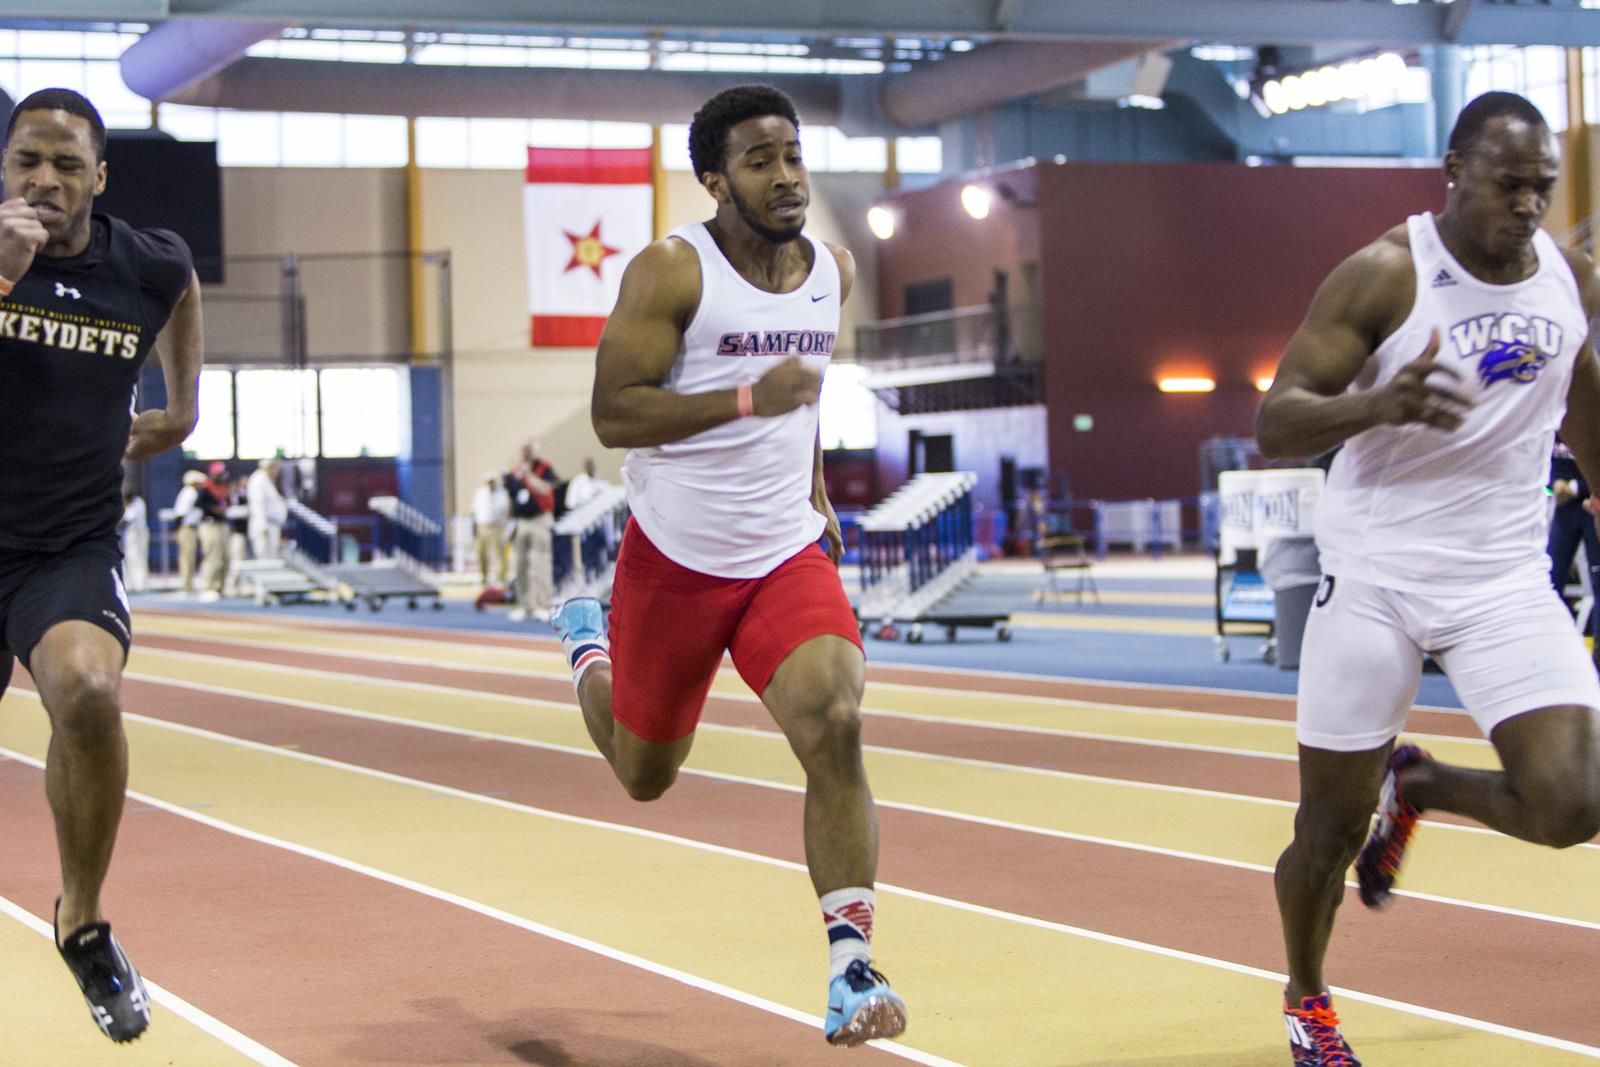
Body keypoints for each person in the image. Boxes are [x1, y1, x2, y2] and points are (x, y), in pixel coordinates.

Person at [551, 84, 906, 1048]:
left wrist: (817, 488)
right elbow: (615, 413)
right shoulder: (672, 271)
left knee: (836, 719)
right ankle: (588, 649)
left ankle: (851, 964)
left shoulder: (833, 270)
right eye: (760, 161)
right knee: (644, 774)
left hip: (782, 551)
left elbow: (807, 398)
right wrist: (748, 397)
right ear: (715, 181)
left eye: (793, 155)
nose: (786, 177)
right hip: (676, 558)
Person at [1256, 92, 1600, 1067]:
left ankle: (1424, 784)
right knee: (1327, 829)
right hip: (1375, 578)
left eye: (1541, 187)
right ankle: (1307, 997)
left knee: (1575, 801)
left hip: (1502, 578)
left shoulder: (1569, 281)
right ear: (1453, 171)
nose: (1527, 205)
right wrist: (1376, 403)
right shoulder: (1386, 275)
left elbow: (1584, 409)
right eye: (1507, 184)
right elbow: (1276, 424)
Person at [0, 88, 202, 1043]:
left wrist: (183, 404)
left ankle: (80, 921)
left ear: (99, 178)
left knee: (87, 691)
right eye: (27, 161)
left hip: (65, 545)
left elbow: (183, 280)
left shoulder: (141, 262)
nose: (45, 180)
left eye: (67, 165)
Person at [1547, 436, 1600, 633]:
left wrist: (1575, 487)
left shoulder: (1588, 423)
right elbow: (1539, 483)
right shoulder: (1550, 428)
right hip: (1564, 509)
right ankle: (1551, 639)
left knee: (1598, 581)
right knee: (1550, 579)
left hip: (1592, 506)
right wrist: (1552, 486)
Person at [505, 441, 556, 622]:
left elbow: (545, 489)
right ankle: (525, 604)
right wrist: (507, 524)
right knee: (519, 564)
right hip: (521, 521)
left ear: (535, 451)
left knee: (540, 563)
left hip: (539, 520)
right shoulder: (514, 472)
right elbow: (511, 498)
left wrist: (528, 475)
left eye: (529, 450)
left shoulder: (544, 468)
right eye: (524, 450)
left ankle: (543, 605)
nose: (526, 453)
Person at [470, 469, 510, 586]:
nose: (490, 484)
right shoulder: (480, 493)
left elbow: (506, 511)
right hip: (482, 526)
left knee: (497, 554)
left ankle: (499, 579)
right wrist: (474, 527)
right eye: (488, 482)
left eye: (492, 482)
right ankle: (483, 577)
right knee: (480, 553)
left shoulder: (502, 493)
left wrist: (505, 527)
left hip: (495, 527)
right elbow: (474, 510)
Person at [246, 456, 287, 561]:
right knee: (264, 558)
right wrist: (262, 525)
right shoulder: (258, 479)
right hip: (264, 526)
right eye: (275, 468)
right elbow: (257, 504)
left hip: (272, 525)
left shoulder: (267, 480)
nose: (276, 471)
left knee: (272, 558)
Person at [172, 469, 204, 594]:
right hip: (186, 528)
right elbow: (181, 513)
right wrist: (176, 530)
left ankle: (188, 585)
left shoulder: (192, 492)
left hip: (190, 528)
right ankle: (186, 586)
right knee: (186, 557)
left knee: (189, 557)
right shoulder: (189, 492)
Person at [119, 491, 147, 594]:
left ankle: (139, 584)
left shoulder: (137, 503)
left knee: (136, 558)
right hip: (132, 533)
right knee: (131, 559)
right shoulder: (135, 502)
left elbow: (127, 519)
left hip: (137, 532)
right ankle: (133, 583)